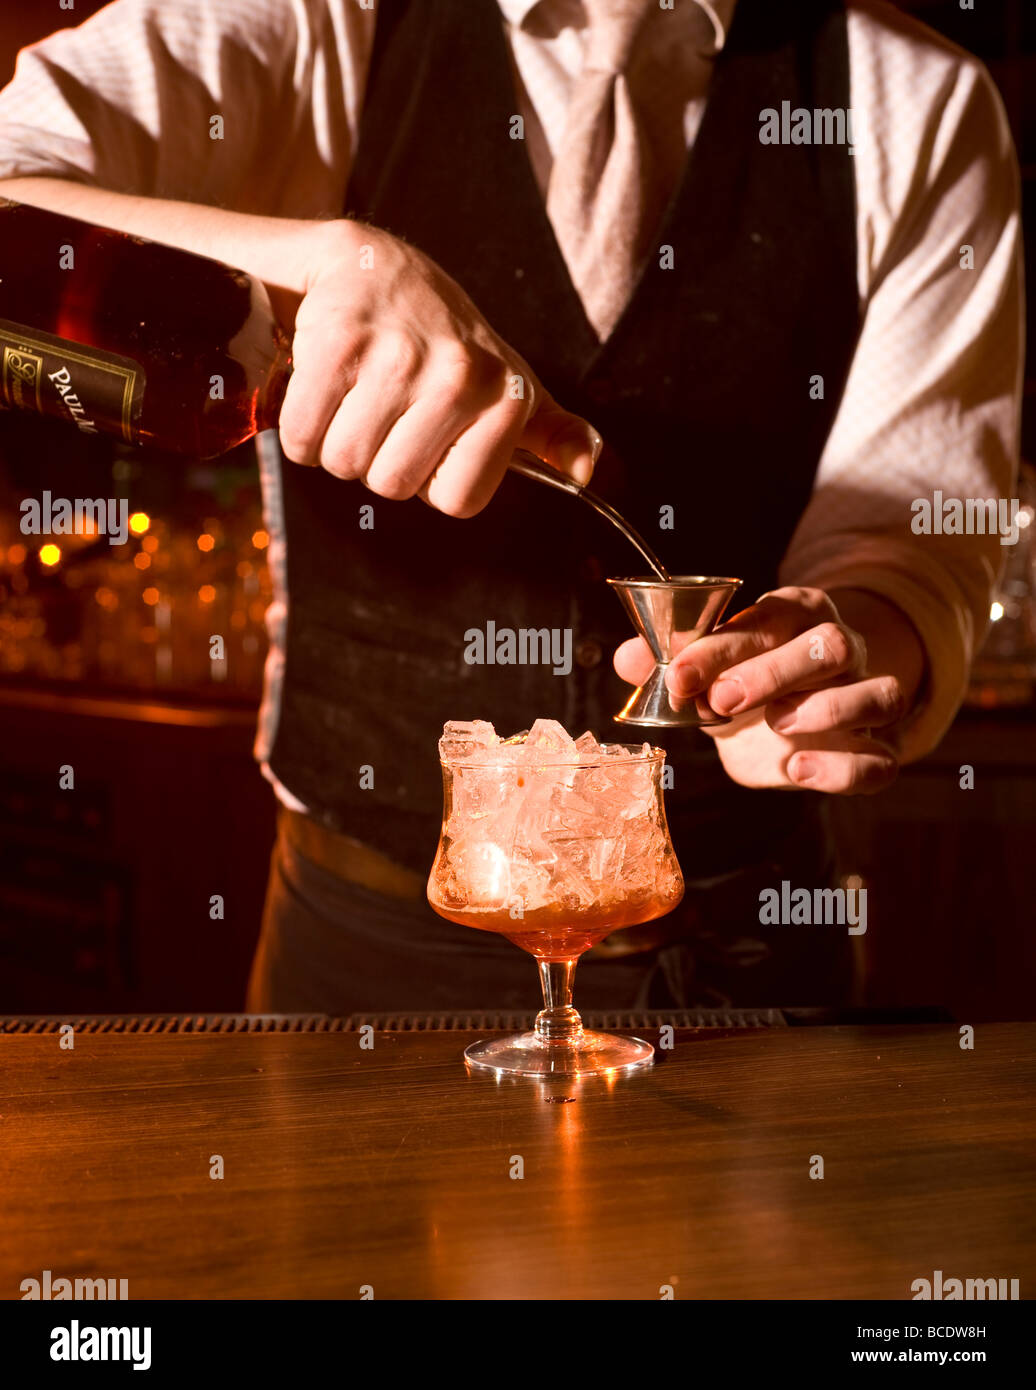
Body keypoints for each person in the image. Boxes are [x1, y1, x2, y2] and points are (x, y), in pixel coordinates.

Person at [0, 0, 1022, 1012]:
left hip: (748, 954)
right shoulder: (303, 19)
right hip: (367, 956)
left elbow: (913, 532)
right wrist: (329, 261)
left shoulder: (919, 101)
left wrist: (842, 646)